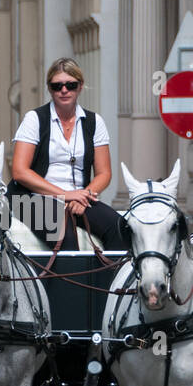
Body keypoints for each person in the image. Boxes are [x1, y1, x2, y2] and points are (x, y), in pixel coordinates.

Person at [8, 58, 124, 251]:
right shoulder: (34, 119)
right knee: (65, 238)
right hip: (30, 199)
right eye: (57, 86)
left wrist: (84, 196)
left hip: (80, 196)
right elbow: (20, 172)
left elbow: (104, 173)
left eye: (70, 85)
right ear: (50, 88)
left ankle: (110, 281)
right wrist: (66, 195)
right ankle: (64, 282)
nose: (64, 90)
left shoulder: (94, 122)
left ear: (80, 86)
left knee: (120, 229)